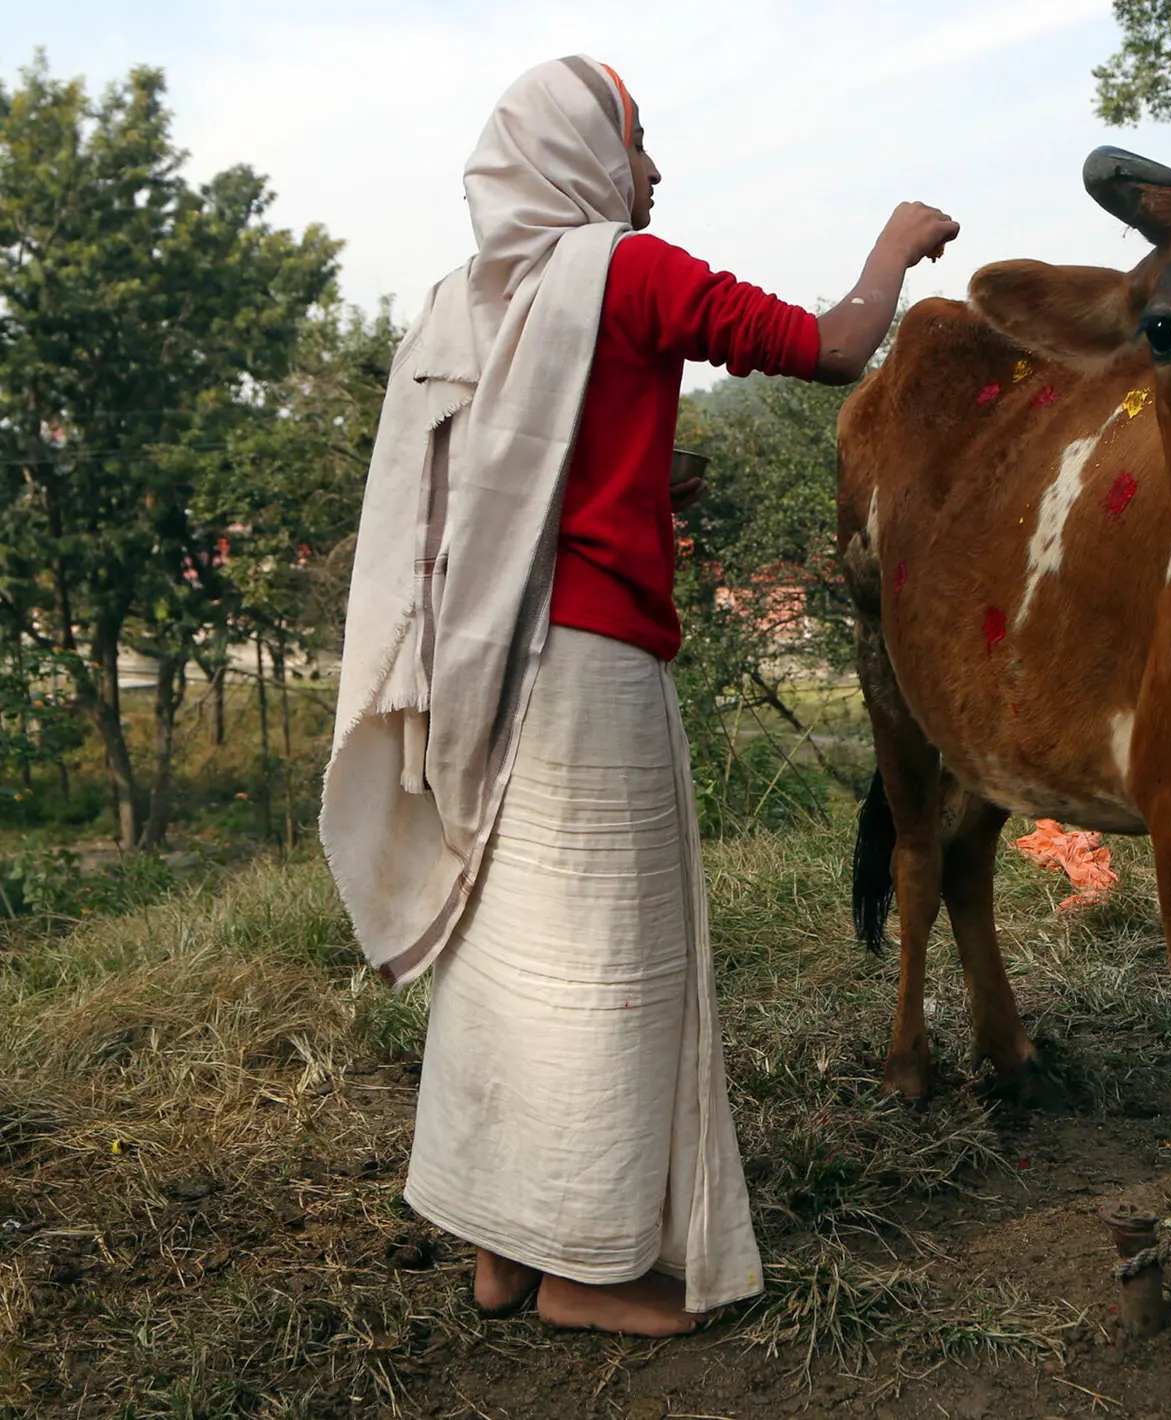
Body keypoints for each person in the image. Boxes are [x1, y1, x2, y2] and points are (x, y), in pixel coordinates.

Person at [321, 56, 958, 1337]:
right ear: (579, 154)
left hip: (478, 665)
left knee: (500, 960)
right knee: (616, 964)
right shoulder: (624, 270)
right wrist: (893, 250)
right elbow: (835, 350)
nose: (652, 169)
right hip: (591, 670)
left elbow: (488, 501)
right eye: (637, 139)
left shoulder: (458, 302)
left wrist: (639, 496)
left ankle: (498, 1251)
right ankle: (582, 1268)